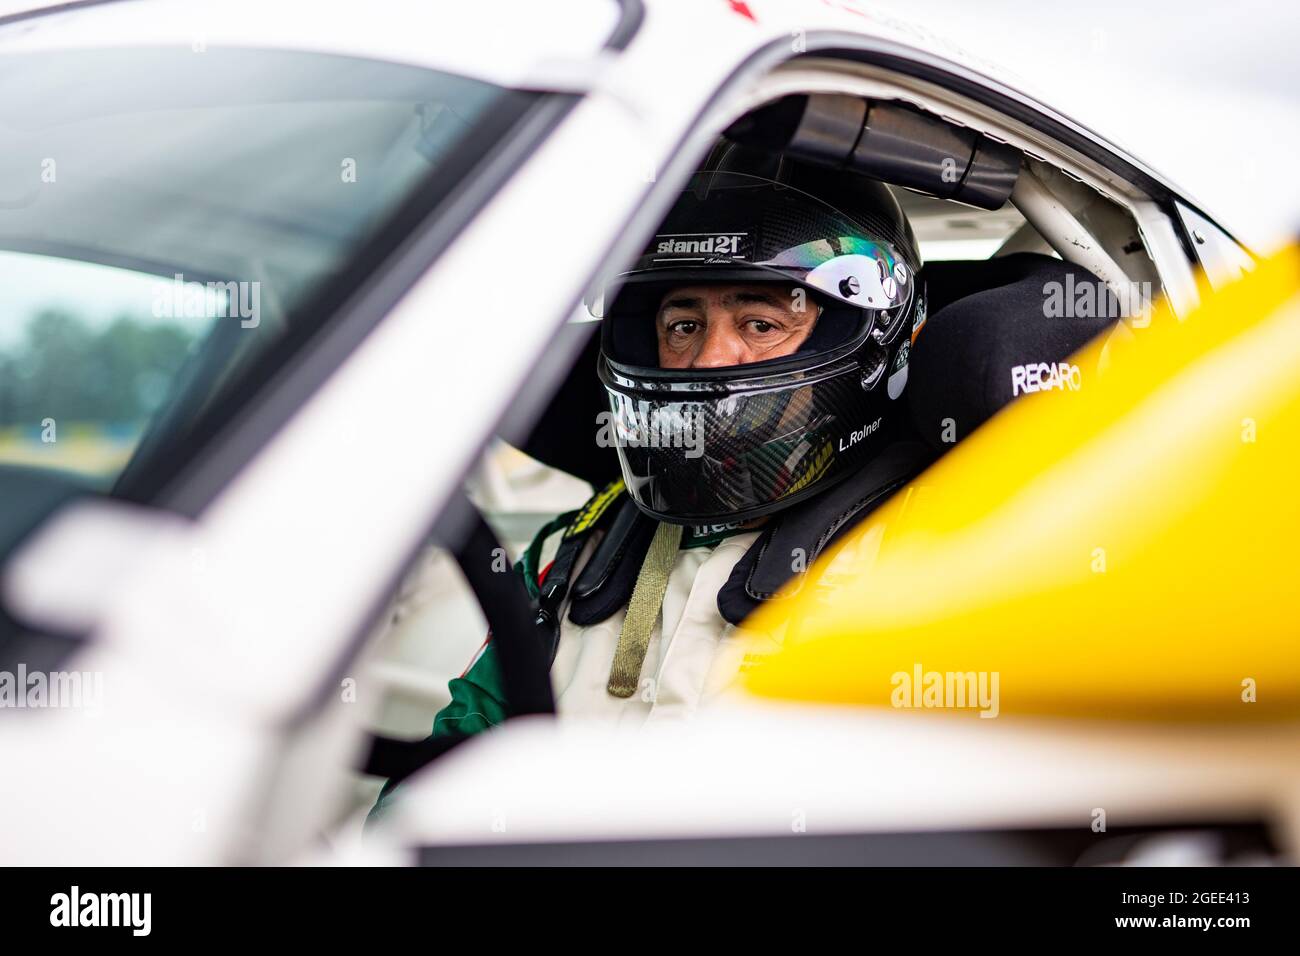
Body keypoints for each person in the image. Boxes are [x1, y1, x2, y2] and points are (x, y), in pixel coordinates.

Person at [368, 155, 932, 819]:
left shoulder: (940, 555)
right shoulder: (575, 554)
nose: (711, 360)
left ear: (862, 340)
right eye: (684, 326)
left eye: (760, 324)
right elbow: (447, 778)